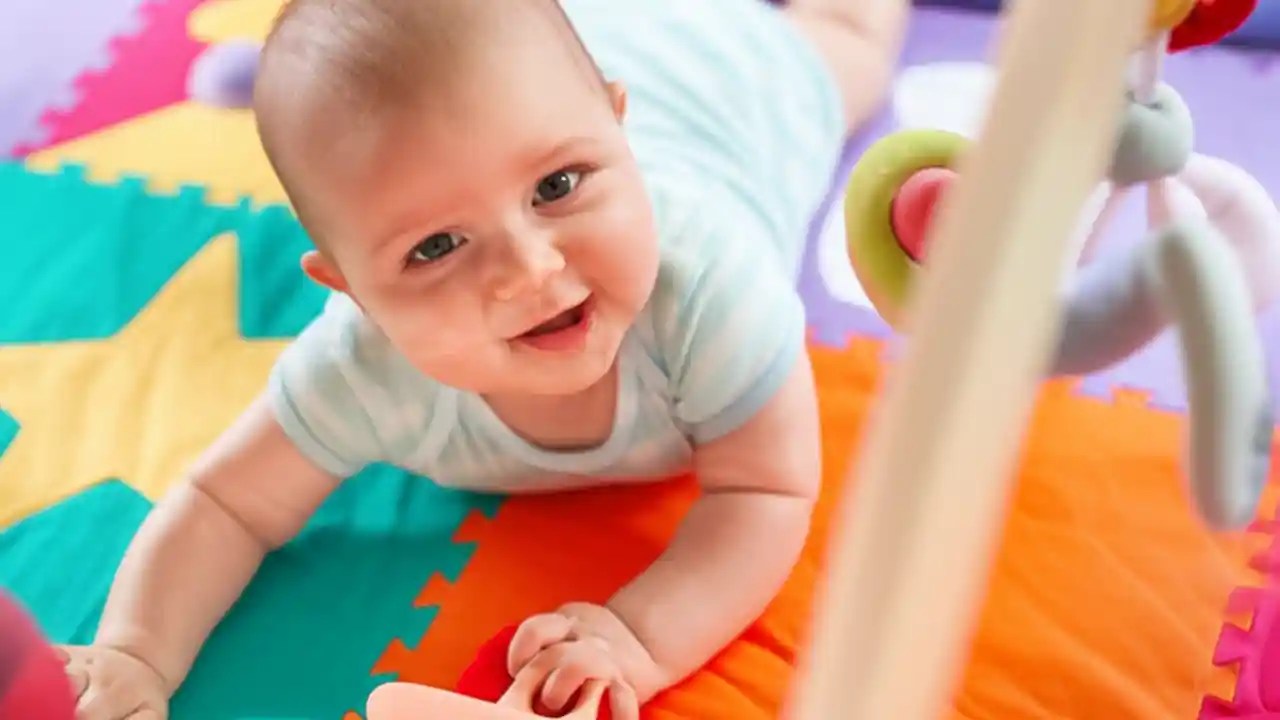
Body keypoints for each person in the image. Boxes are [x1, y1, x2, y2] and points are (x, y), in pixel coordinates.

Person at [59, 0, 906, 717]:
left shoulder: (711, 289)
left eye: (560, 186)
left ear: (619, 131)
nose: (530, 271)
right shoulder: (361, 369)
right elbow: (224, 504)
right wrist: (134, 653)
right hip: (549, 67)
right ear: (352, 289)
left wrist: (637, 637)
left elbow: (764, 489)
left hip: (726, 82)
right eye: (436, 247)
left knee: (845, 45)